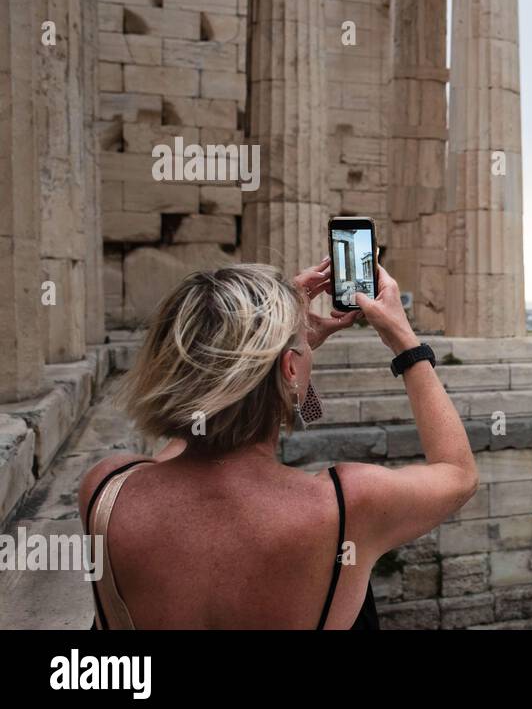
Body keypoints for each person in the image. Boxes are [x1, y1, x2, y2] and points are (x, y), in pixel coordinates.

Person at [77, 258, 477, 629]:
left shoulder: (105, 491)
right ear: (289, 367)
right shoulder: (347, 505)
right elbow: (457, 474)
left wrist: (284, 348)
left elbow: (191, 437)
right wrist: (405, 343)